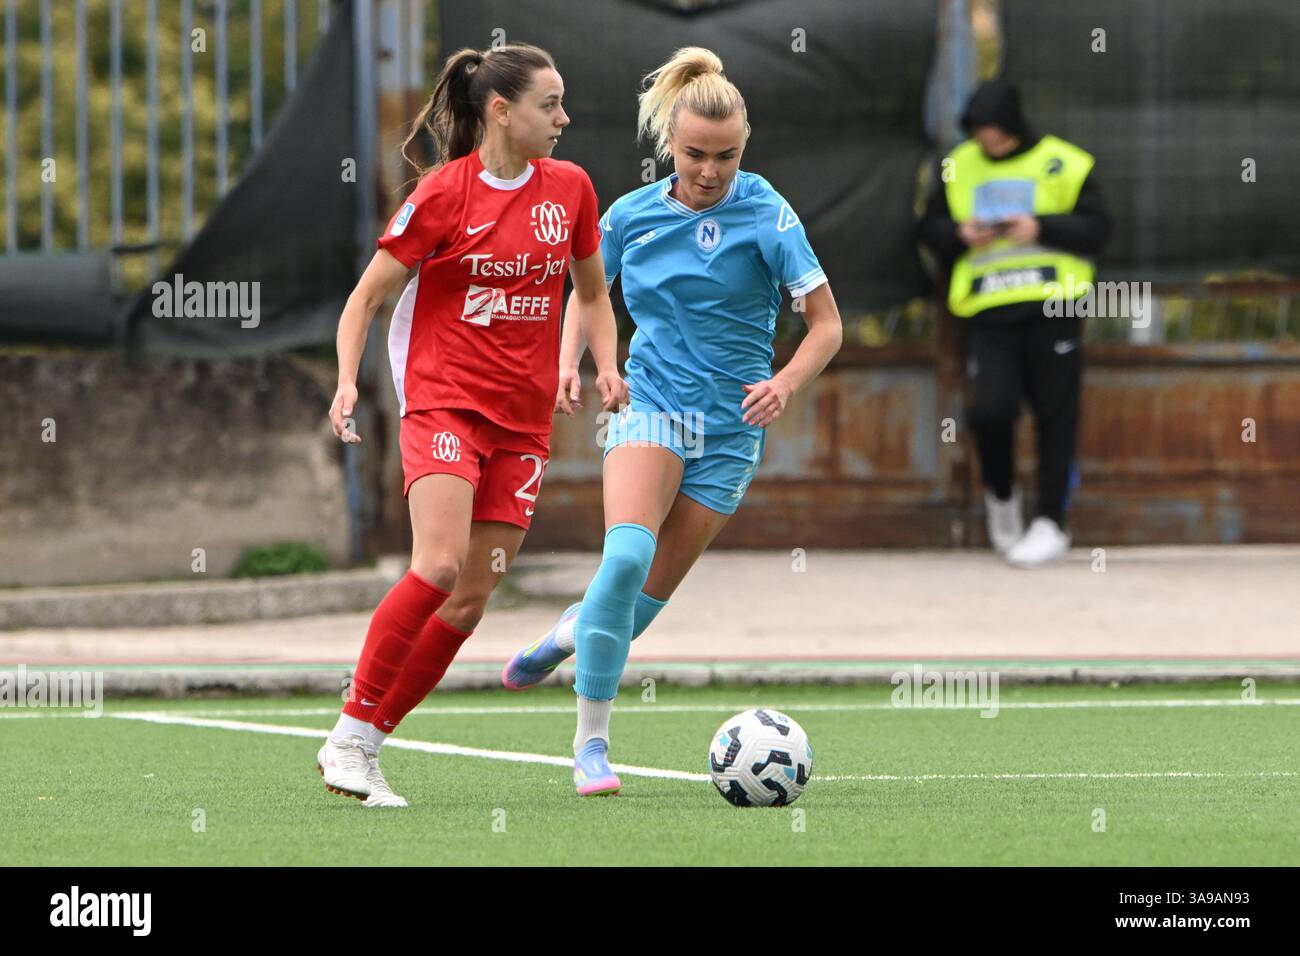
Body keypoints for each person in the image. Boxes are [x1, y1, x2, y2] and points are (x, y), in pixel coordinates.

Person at [501, 48, 843, 796]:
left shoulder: (767, 213)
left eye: (726, 155)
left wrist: (785, 383)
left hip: (730, 436)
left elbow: (825, 325)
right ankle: (591, 745)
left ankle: (567, 633)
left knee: (639, 603)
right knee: (623, 560)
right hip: (651, 407)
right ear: (669, 144)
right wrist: (581, 363)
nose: (711, 170)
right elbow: (590, 295)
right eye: (694, 154)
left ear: (743, 146)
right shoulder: (630, 216)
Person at [316, 43, 626, 808]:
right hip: (444, 398)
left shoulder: (573, 189)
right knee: (441, 565)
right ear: (500, 110)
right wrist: (348, 380)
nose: (564, 118)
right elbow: (365, 298)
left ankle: (368, 741)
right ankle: (348, 736)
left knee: (470, 599)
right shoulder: (442, 195)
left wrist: (601, 364)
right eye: (549, 105)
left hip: (523, 420)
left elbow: (590, 293)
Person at [917, 80, 1110, 567]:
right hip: (988, 311)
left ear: (1016, 125)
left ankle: (1051, 522)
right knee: (990, 411)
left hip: (1054, 308)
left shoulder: (1066, 162)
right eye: (980, 132)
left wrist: (1040, 227)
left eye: (997, 133)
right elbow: (928, 227)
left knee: (1055, 417)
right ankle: (1001, 496)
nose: (989, 142)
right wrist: (961, 235)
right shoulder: (957, 166)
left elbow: (1098, 229)